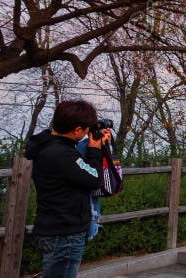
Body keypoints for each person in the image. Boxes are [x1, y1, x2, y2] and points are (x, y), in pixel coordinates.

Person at [24, 100, 111, 278]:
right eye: (87, 129)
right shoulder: (63, 154)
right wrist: (95, 150)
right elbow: (94, 178)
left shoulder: (47, 146)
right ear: (77, 130)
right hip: (64, 235)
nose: (89, 132)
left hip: (51, 229)